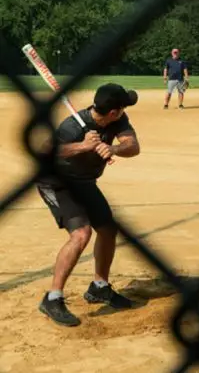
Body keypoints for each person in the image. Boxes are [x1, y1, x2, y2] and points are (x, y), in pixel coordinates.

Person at [35, 83, 141, 327]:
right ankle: (52, 298)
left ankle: (99, 287)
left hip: (83, 182)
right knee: (82, 234)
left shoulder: (118, 120)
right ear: (113, 111)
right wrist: (82, 146)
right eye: (123, 106)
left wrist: (113, 147)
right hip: (56, 183)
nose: (125, 110)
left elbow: (133, 146)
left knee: (107, 229)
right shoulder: (72, 126)